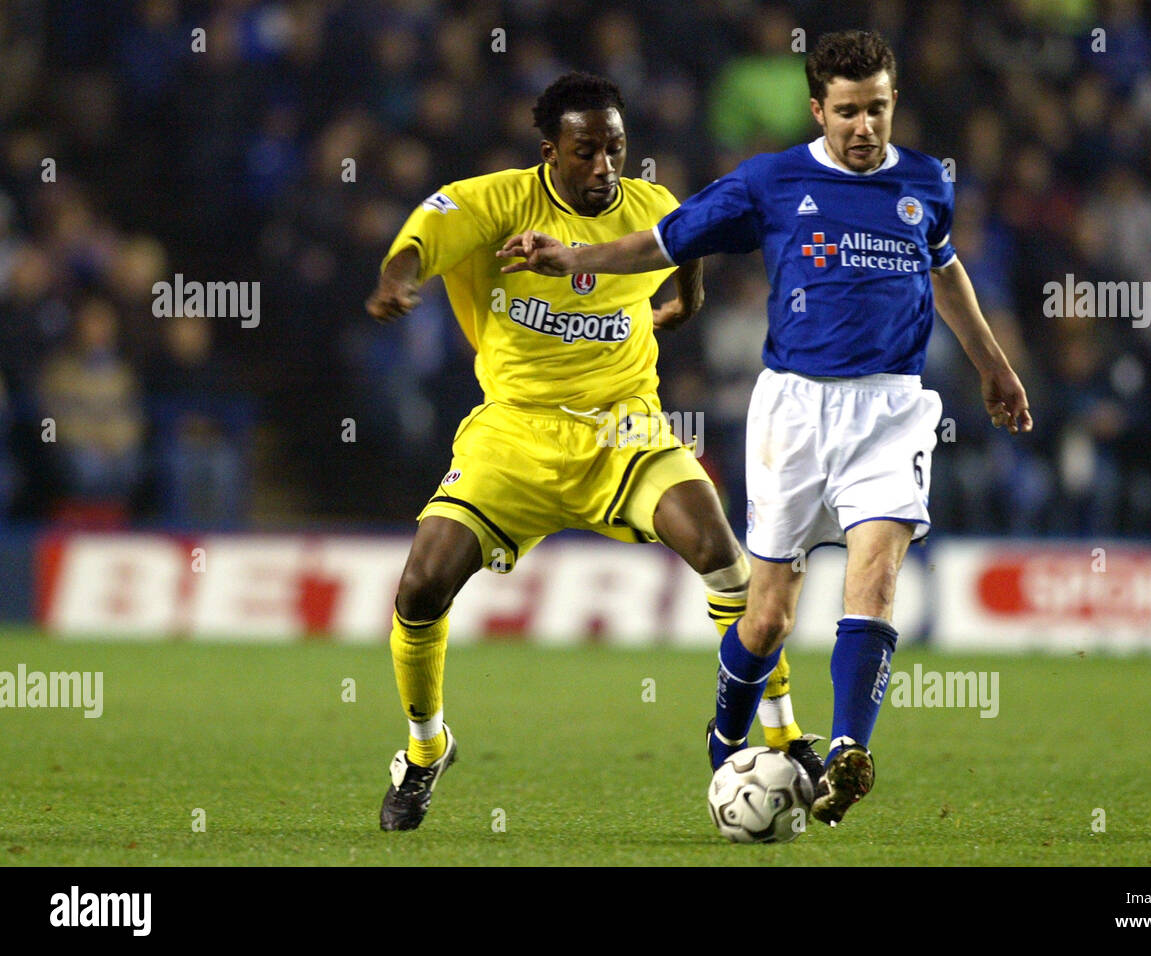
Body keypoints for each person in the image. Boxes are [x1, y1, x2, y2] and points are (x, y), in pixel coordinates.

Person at [499, 32, 1033, 827]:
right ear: (818, 109)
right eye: (847, 111)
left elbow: (944, 267)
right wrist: (571, 255)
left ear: (893, 105)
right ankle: (725, 744)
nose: (863, 127)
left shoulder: (926, 183)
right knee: (769, 613)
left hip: (892, 407)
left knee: (876, 570)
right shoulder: (772, 180)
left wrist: (993, 364)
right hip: (793, 410)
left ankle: (850, 748)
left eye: (877, 110)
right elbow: (665, 239)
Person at [364, 72, 817, 832]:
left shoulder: (650, 205)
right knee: (419, 587)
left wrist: (689, 295)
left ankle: (784, 735)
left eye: (615, 148)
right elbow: (421, 235)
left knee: (723, 554)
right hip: (515, 431)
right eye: (588, 151)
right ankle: (424, 750)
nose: (606, 165)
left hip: (623, 428)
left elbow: (687, 240)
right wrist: (396, 279)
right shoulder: (496, 201)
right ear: (551, 153)